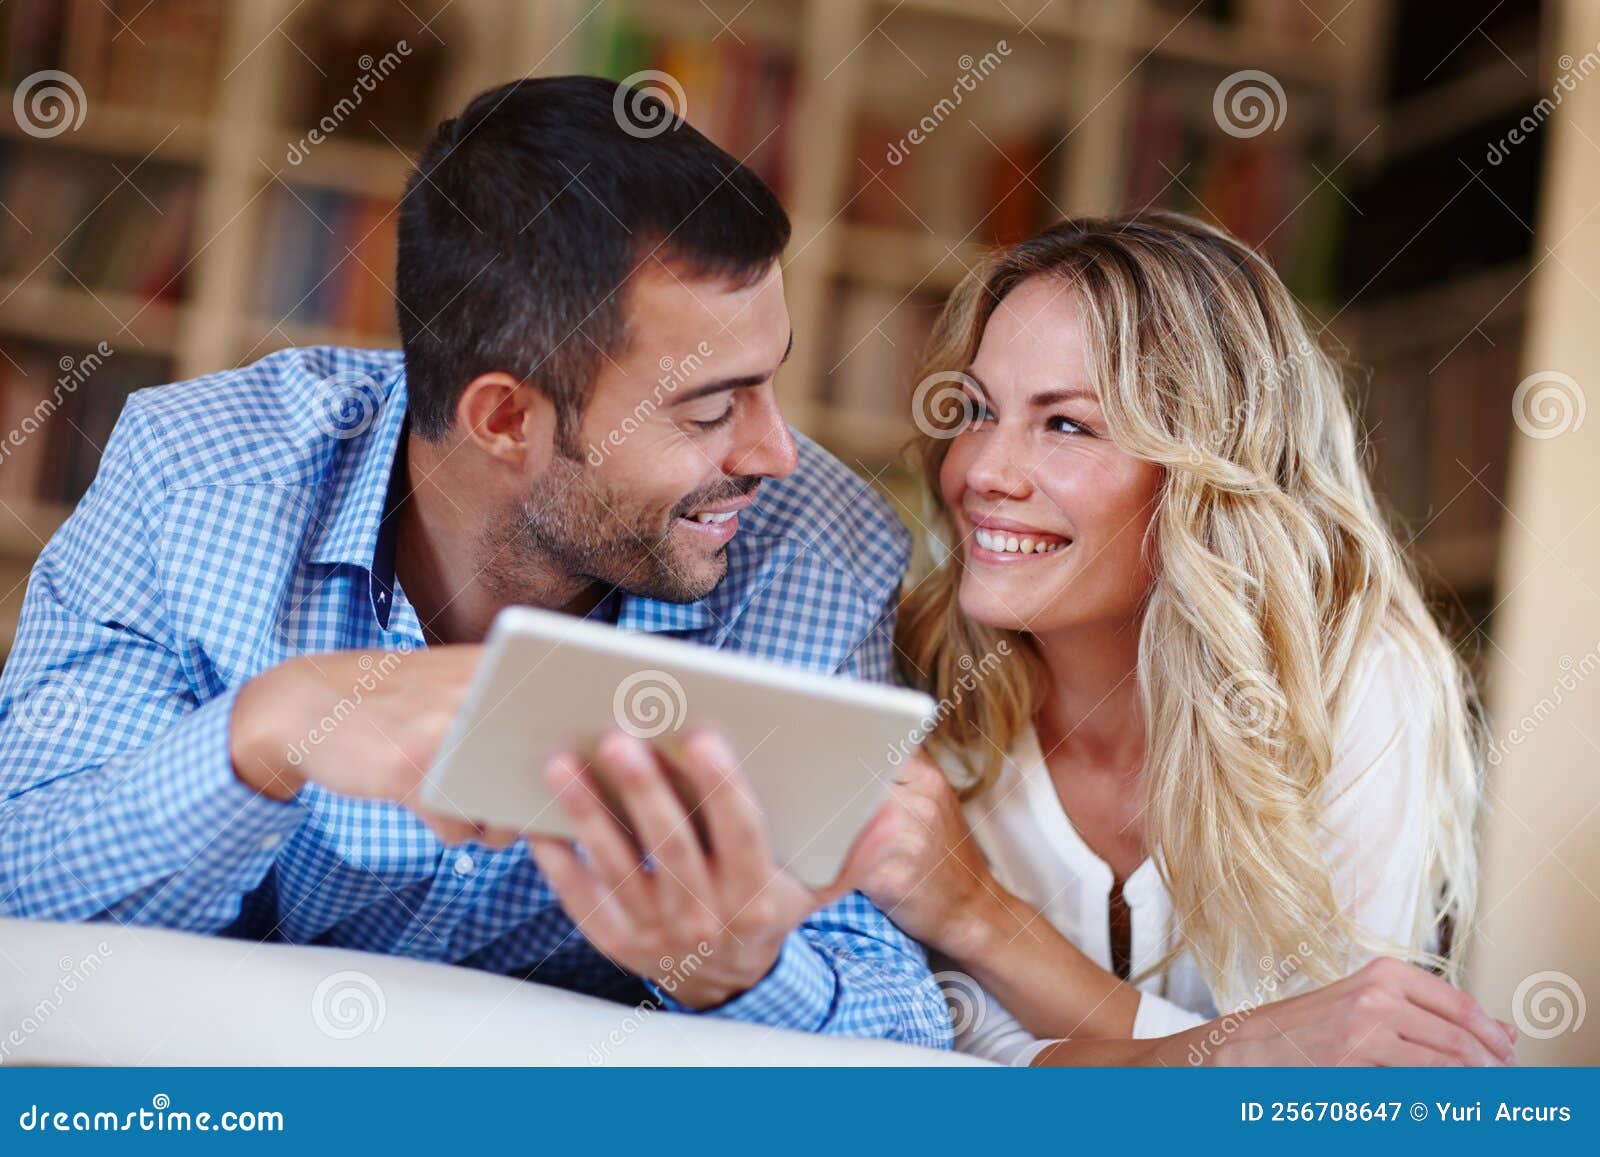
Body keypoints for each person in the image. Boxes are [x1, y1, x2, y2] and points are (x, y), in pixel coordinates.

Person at [0, 76, 951, 1049]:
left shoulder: (816, 550)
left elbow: (904, 1028)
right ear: (503, 418)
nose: (774, 453)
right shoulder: (195, 472)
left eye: (772, 378)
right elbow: (20, 885)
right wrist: (264, 735)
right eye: (709, 410)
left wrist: (743, 971)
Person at [840, 211, 1516, 1065]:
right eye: (977, 409)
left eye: (1067, 424)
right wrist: (1235, 1054)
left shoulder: (1355, 686)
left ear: (1205, 473)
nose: (980, 471)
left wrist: (979, 914)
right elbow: (933, 1056)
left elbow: (1325, 1098)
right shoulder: (918, 676)